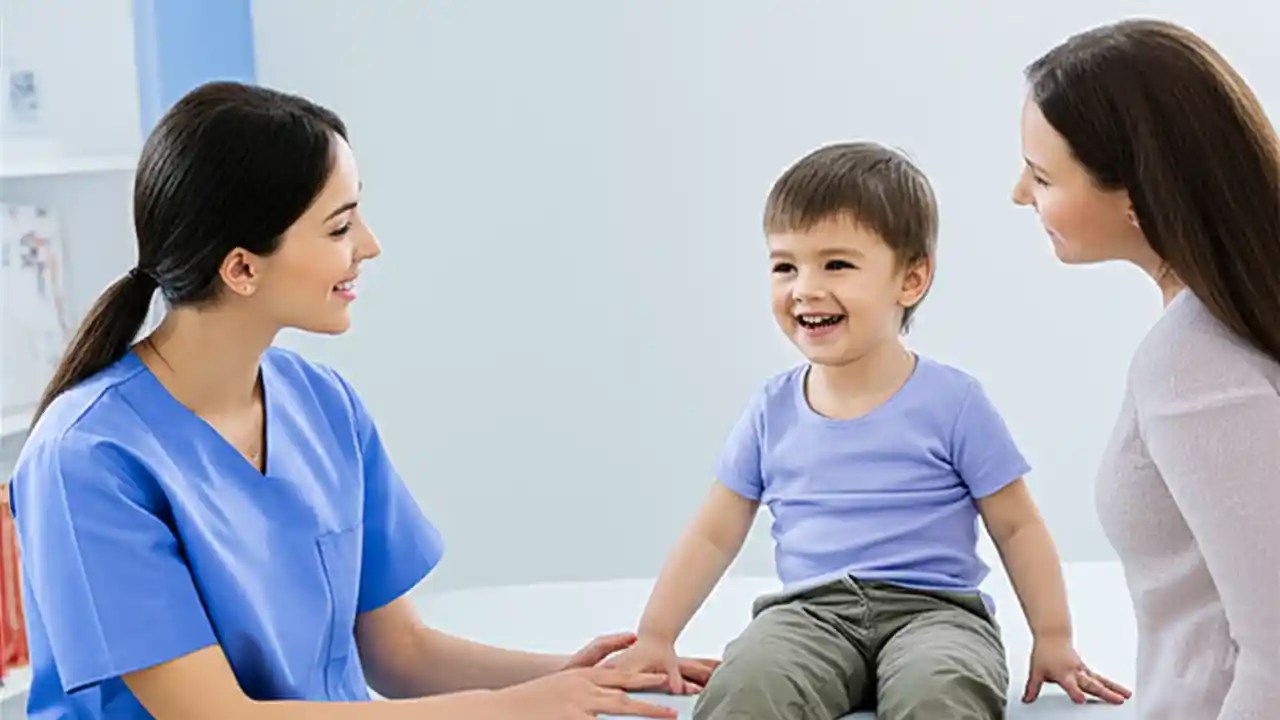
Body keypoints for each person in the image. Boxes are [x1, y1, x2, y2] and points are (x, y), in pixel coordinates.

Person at [6, 81, 715, 720]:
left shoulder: (320, 403)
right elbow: (215, 718)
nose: (369, 246)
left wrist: (583, 677)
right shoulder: (88, 458)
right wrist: (512, 710)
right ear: (242, 267)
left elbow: (398, 652)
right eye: (340, 227)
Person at [606, 142, 1130, 719]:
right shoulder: (770, 410)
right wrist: (655, 637)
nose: (804, 287)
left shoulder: (953, 402)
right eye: (785, 266)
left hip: (936, 612)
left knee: (941, 691)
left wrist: (1052, 636)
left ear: (911, 279)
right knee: (749, 684)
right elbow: (713, 533)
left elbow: (1017, 525)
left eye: (836, 264)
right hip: (809, 613)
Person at [1013, 18, 1280, 719]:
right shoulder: (1227, 329)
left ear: (1135, 191)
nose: (1019, 193)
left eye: (1042, 176)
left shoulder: (1192, 364)